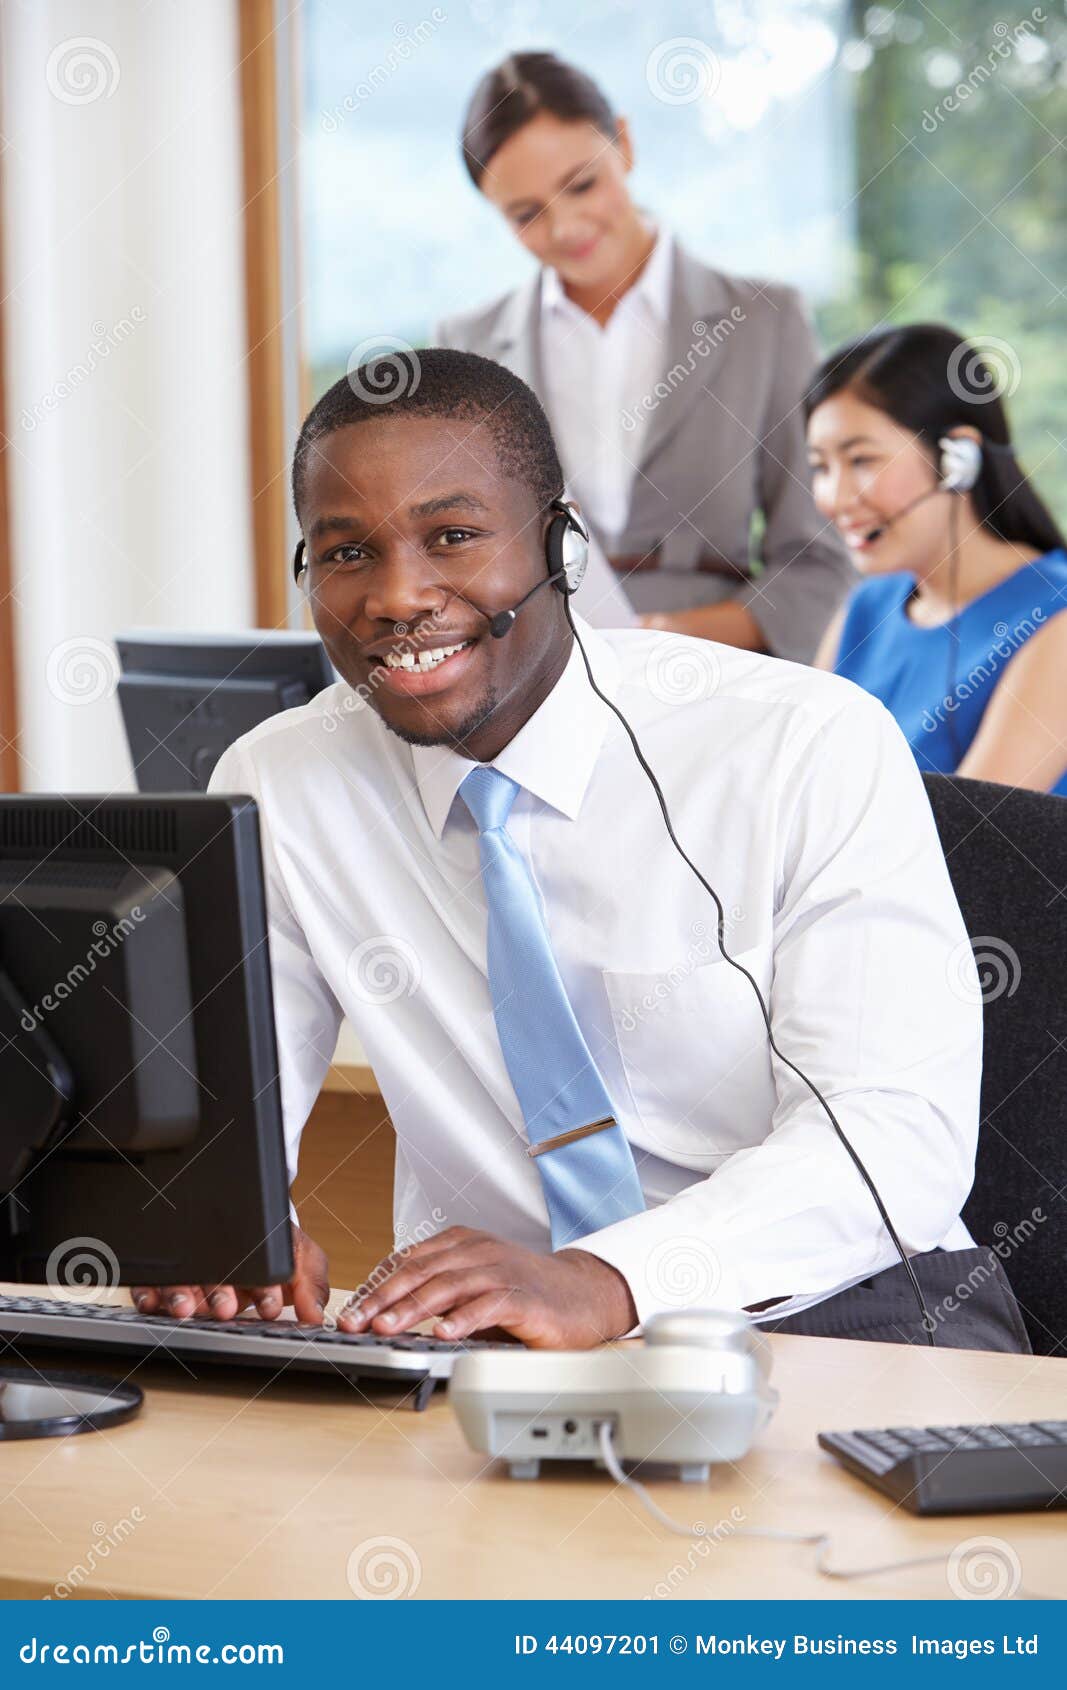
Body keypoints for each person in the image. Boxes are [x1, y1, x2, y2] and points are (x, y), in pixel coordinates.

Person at [133, 348, 1027, 1354]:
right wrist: (221, 1225)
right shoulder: (283, 782)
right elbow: (227, 1114)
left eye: (453, 536)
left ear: (559, 544)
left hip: (840, 1303)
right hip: (488, 1330)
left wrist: (609, 1279)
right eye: (345, 553)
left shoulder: (799, 743)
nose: (397, 595)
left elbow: (890, 1142)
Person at [435, 51, 853, 664]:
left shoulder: (764, 322)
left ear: (624, 144)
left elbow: (819, 559)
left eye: (583, 184)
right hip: (526, 680)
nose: (567, 225)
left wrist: (672, 638)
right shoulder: (466, 343)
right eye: (526, 214)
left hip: (714, 673)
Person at [807, 324, 1067, 792]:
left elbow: (975, 840)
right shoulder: (864, 608)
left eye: (862, 460)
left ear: (957, 458)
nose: (834, 497)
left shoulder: (1055, 618)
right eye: (820, 467)